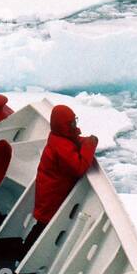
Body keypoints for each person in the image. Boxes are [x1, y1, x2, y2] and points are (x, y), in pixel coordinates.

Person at [26, 105, 99, 247]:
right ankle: (25, 253)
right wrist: (90, 145)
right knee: (43, 226)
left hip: (50, 190)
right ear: (64, 125)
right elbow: (79, 167)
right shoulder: (61, 145)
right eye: (72, 122)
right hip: (53, 195)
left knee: (42, 225)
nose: (75, 124)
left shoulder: (58, 136)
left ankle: (26, 250)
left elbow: (74, 140)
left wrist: (86, 141)